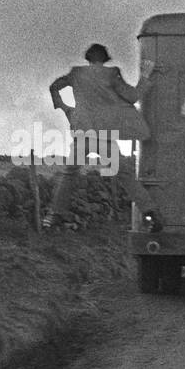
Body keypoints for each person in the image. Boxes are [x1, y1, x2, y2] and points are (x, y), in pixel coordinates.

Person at [44, 43, 162, 230]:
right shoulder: (112, 74)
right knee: (125, 175)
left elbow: (54, 87)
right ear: (105, 59)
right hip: (106, 136)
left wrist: (66, 109)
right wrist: (145, 77)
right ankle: (151, 214)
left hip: (82, 134)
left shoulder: (76, 73)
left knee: (69, 173)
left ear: (88, 59)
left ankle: (54, 216)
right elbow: (132, 97)